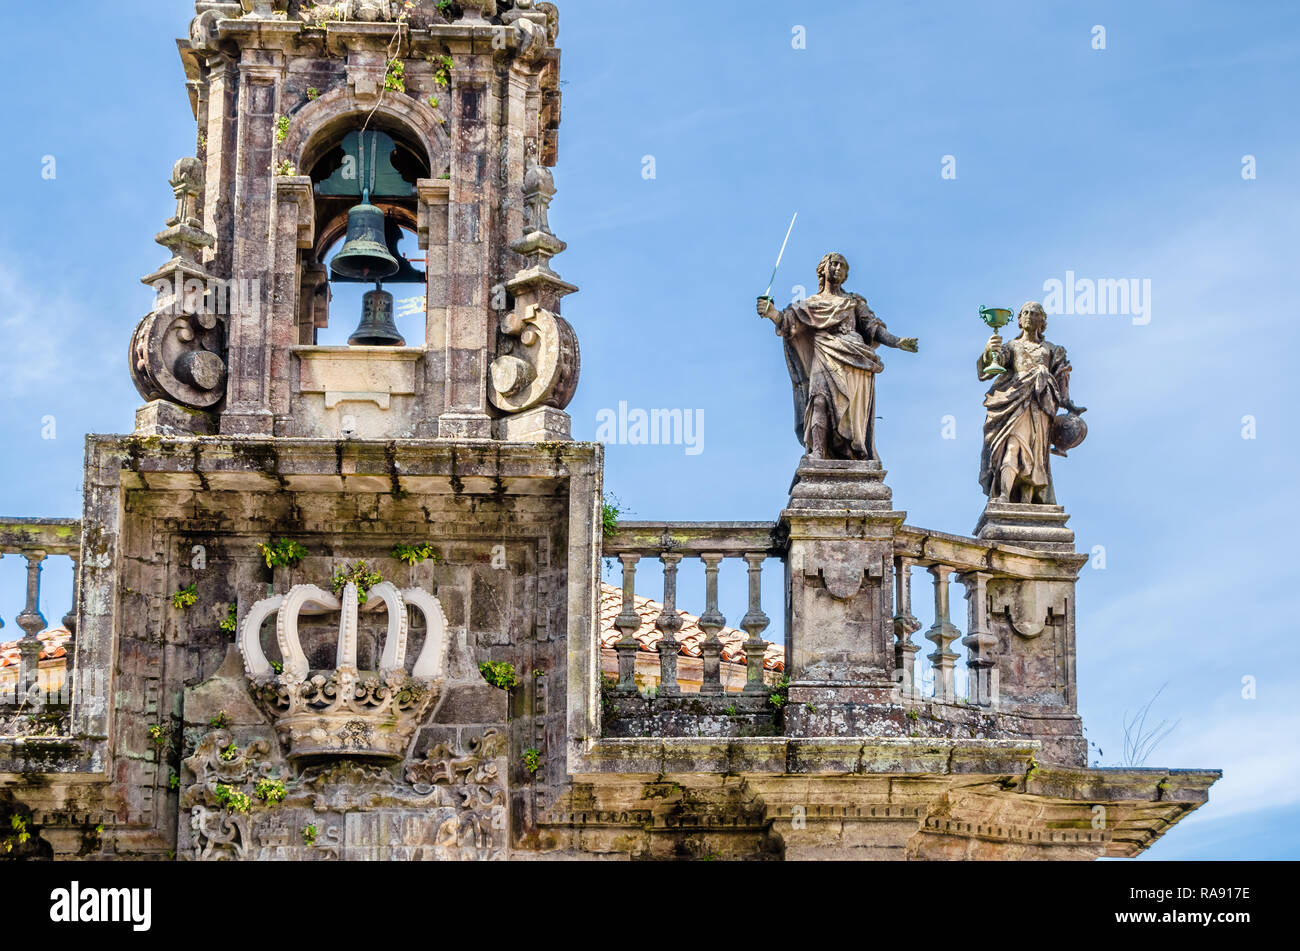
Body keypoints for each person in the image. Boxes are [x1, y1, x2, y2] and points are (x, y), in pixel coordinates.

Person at [757, 253, 918, 460]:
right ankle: (818, 451)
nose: (838, 268)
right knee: (819, 400)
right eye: (833, 264)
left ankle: (852, 450)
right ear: (822, 269)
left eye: (842, 266)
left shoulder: (853, 302)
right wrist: (771, 313)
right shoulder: (811, 304)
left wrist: (896, 342)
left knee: (850, 411)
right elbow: (788, 322)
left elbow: (872, 328)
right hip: (824, 353)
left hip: (854, 358)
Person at [978, 301, 1086, 503]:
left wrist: (1070, 406)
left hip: (1040, 406)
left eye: (1034, 313)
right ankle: (1004, 495)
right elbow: (993, 366)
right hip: (1014, 404)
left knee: (1035, 457)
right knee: (1010, 447)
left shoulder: (1051, 349)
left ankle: (1028, 498)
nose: (1028, 315)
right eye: (1025, 313)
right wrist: (989, 352)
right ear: (1019, 320)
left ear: (1042, 321)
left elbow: (1061, 379)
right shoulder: (1012, 346)